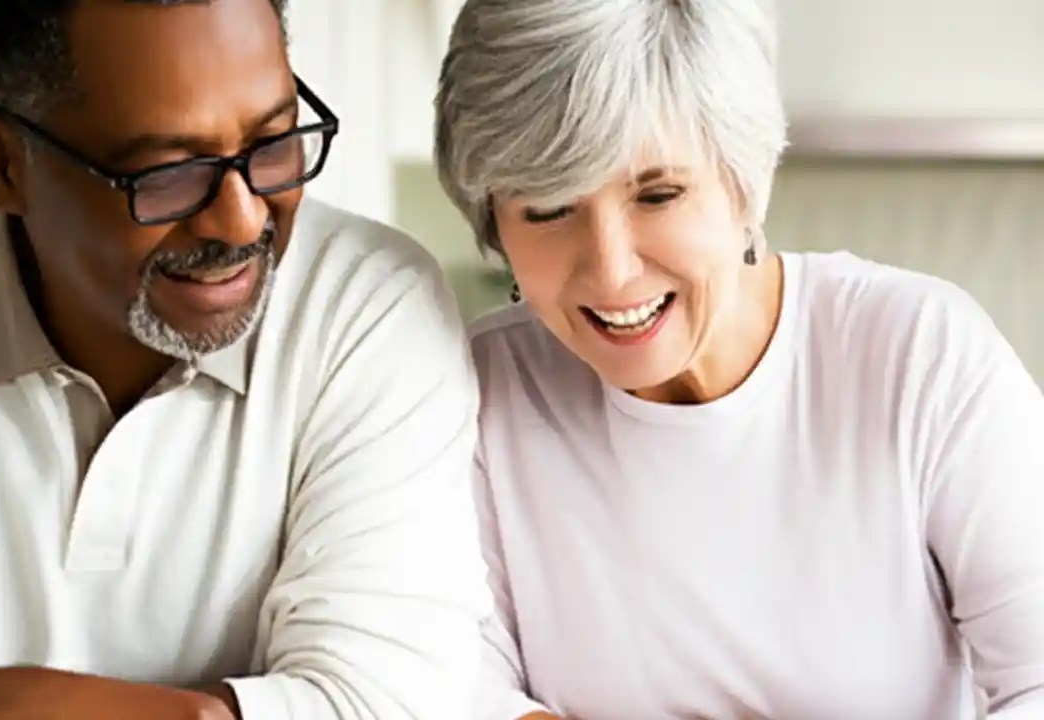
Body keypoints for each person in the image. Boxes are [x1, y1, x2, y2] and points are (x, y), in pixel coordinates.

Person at [0, 1, 490, 718]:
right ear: (2, 162)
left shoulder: (367, 308)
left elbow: (384, 702)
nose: (242, 219)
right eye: (168, 172)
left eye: (273, 143)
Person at [434, 0, 1044, 718]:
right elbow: (450, 679)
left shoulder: (920, 357)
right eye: (547, 208)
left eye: (658, 195)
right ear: (492, 220)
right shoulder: (469, 399)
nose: (611, 269)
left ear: (743, 179)